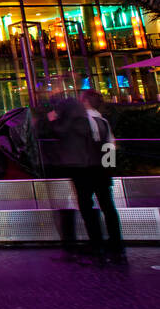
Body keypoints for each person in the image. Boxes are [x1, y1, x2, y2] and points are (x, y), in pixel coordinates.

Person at [49, 91, 124, 261]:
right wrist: (108, 169)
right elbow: (110, 147)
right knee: (108, 206)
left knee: (86, 206)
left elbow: (61, 133)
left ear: (85, 102)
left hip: (83, 168)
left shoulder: (78, 120)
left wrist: (53, 120)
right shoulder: (103, 121)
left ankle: (96, 244)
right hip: (101, 169)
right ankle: (116, 244)